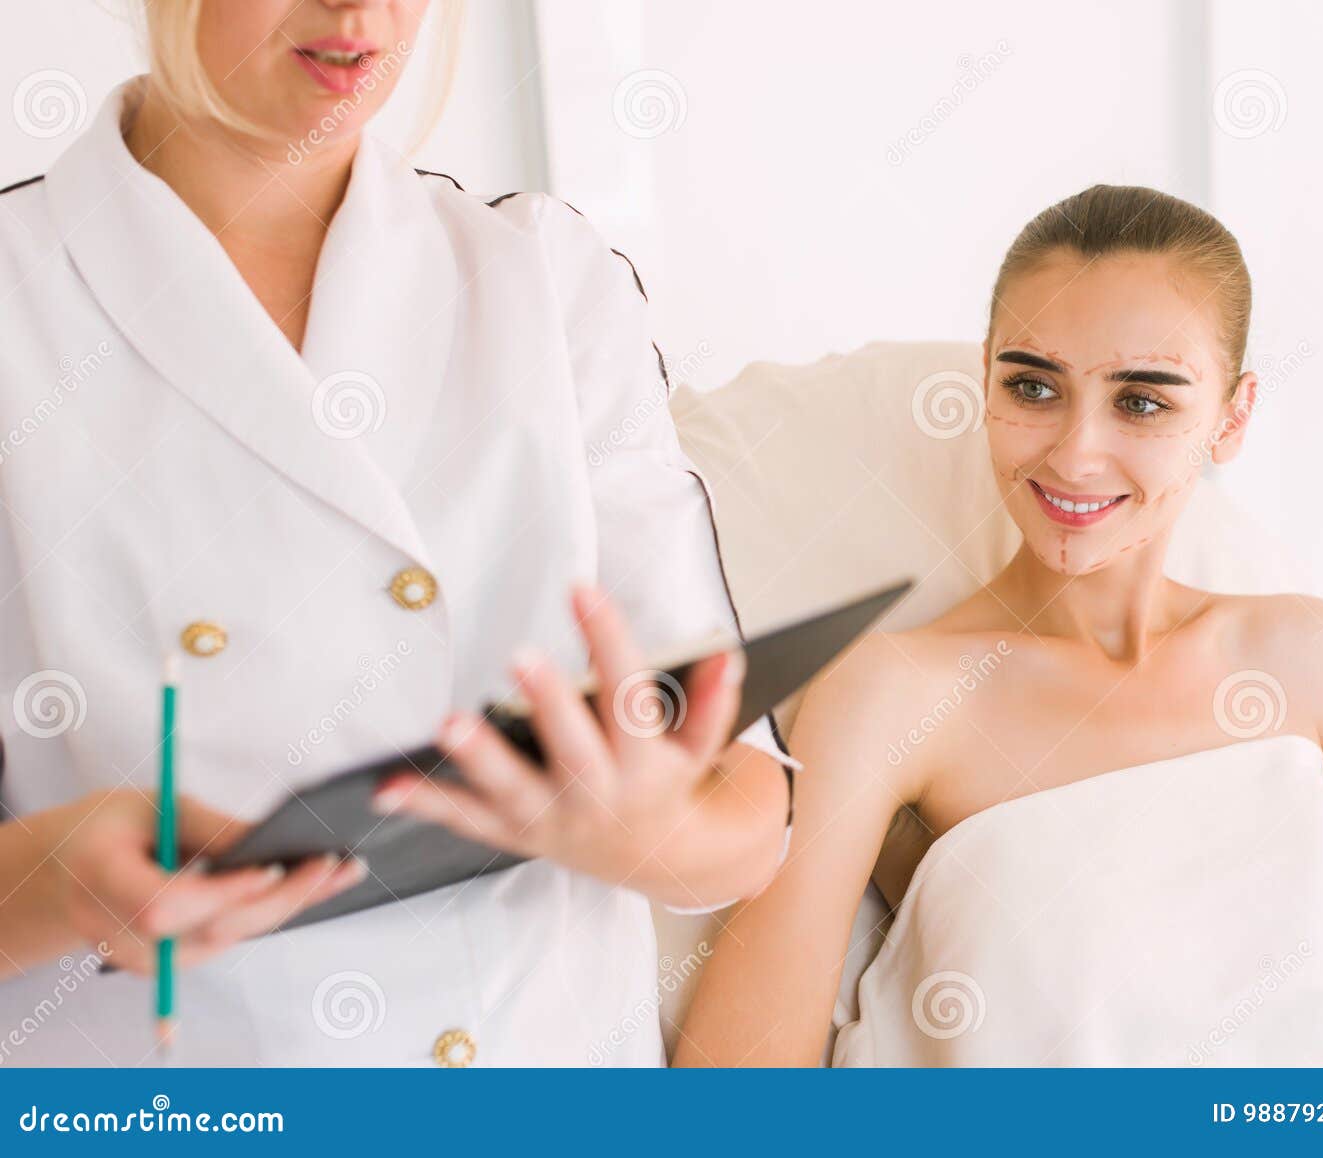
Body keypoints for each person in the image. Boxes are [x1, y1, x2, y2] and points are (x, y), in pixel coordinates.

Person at [0, 0, 793, 1066]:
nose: (360, 12)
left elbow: (746, 818)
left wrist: (640, 831)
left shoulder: (545, 277)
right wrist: (49, 884)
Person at [675, 185, 1323, 1067]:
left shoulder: (1311, 660)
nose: (1075, 453)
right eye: (1033, 388)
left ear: (1231, 418)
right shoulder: (893, 695)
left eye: (1143, 401)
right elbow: (735, 1094)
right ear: (984, 381)